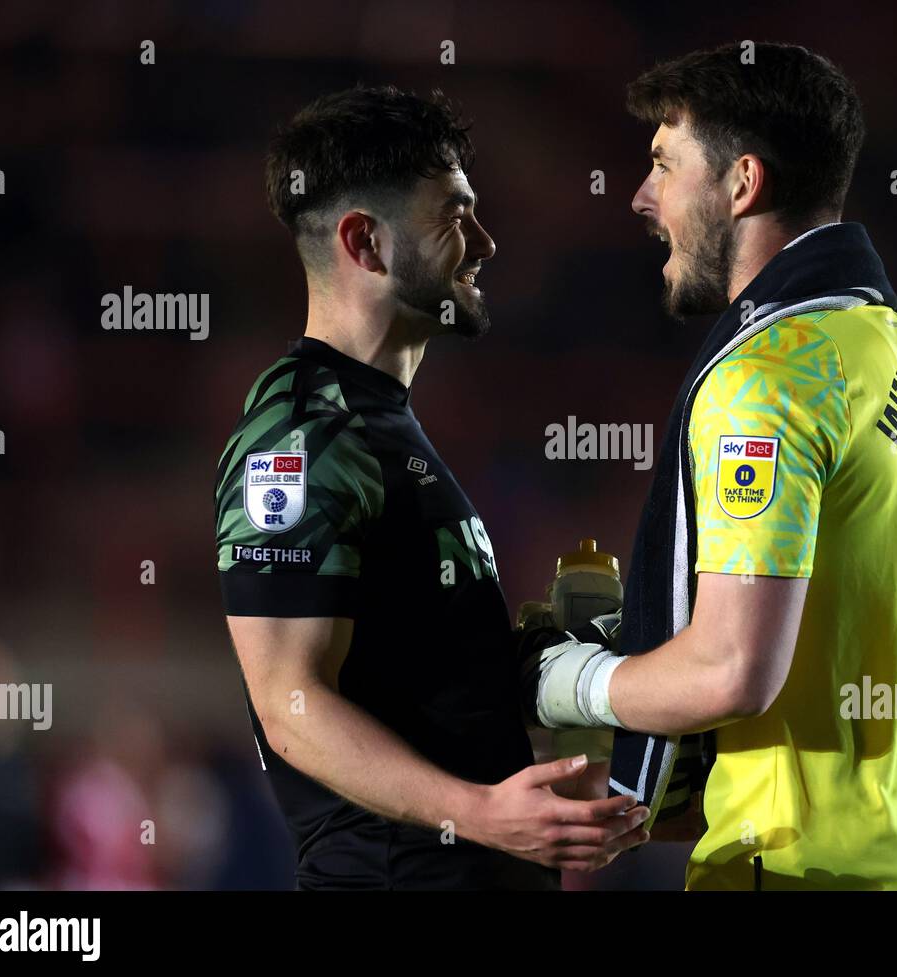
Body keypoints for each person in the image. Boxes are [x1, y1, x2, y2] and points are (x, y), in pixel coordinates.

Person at [525, 43, 897, 890]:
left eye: (664, 166)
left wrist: (572, 683)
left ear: (742, 184)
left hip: (801, 870)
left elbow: (733, 668)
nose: (642, 198)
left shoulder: (769, 374)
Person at [215, 84, 648, 890]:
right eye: (454, 215)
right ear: (365, 242)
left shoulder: (379, 424)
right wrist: (480, 813)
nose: (485, 240)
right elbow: (289, 704)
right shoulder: (301, 430)